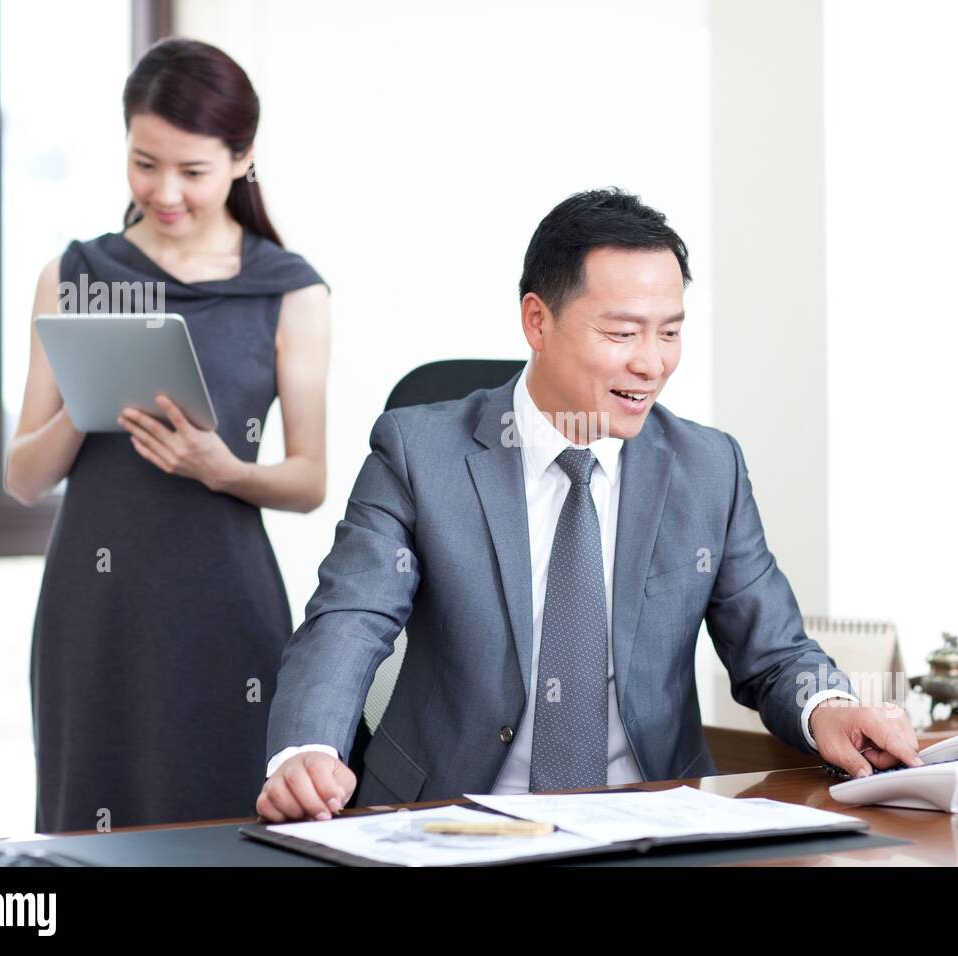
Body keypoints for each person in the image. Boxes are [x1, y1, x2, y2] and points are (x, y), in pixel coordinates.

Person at [257, 188, 919, 823]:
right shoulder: (419, 453)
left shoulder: (708, 468)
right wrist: (308, 748)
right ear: (537, 320)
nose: (652, 364)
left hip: (651, 821)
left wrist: (830, 707)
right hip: (455, 824)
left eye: (669, 333)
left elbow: (773, 652)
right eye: (623, 333)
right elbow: (349, 618)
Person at [5, 38, 331, 832]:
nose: (166, 191)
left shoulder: (290, 291)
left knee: (226, 820)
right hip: (96, 606)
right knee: (89, 825)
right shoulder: (74, 273)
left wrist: (221, 468)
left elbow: (310, 477)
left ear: (241, 159)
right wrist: (85, 404)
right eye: (145, 163)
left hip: (224, 606)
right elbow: (21, 476)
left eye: (193, 171)